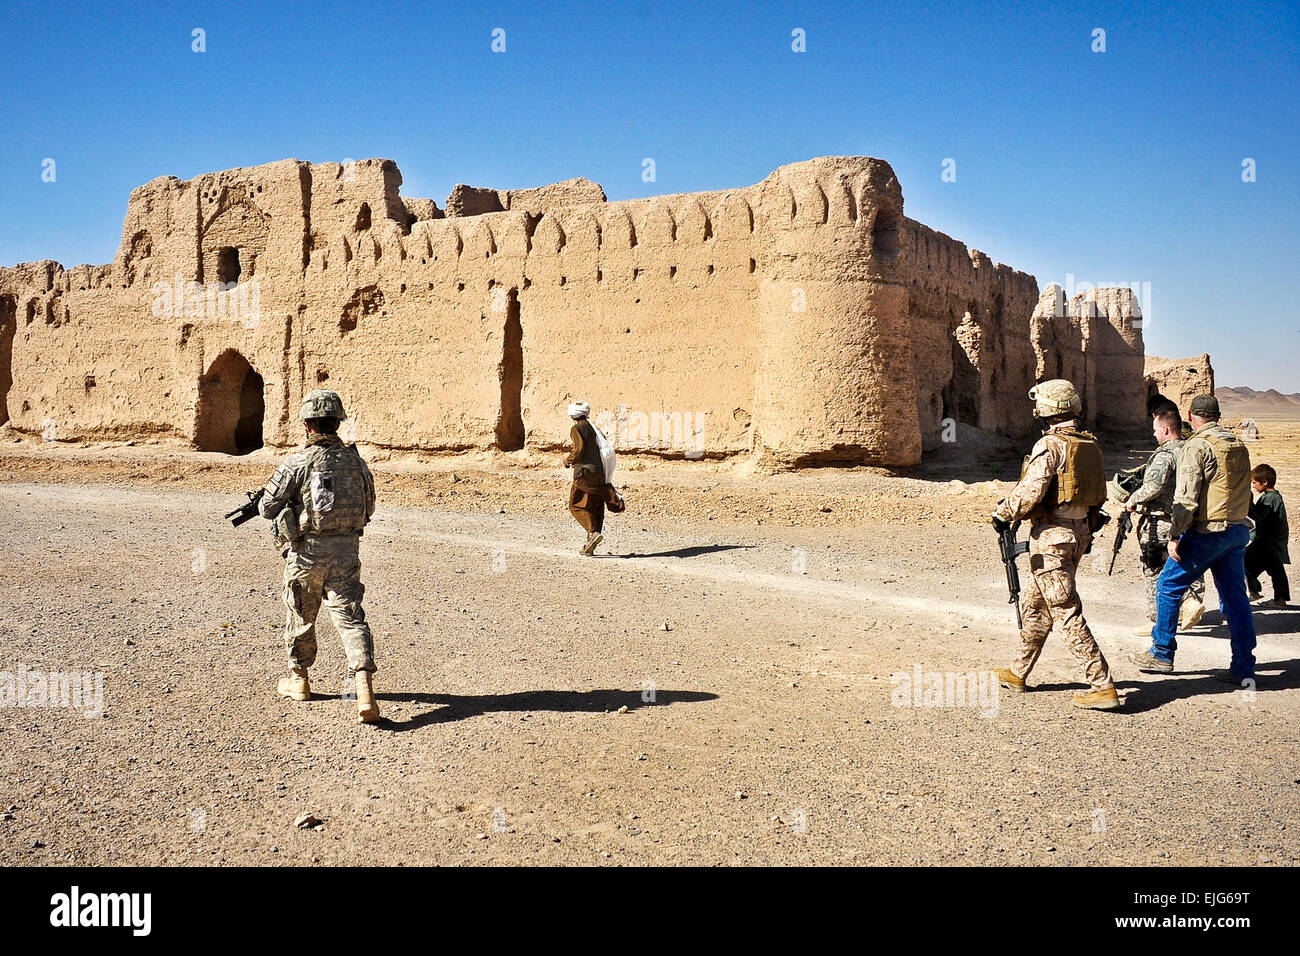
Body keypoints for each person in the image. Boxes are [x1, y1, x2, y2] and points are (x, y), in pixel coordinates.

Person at [992, 379, 1119, 710]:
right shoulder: (1088, 443)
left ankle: (1102, 684)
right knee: (1037, 605)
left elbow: (1032, 490)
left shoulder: (1051, 445)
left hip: (1052, 537)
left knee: (1064, 609)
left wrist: (1003, 513)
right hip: (1078, 532)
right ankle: (1018, 671)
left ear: (1045, 409)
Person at [258, 389, 380, 723]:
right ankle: (364, 688)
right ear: (337, 423)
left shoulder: (298, 462)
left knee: (300, 615)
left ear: (308, 425)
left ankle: (300, 681)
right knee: (351, 617)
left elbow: (268, 507)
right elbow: (368, 506)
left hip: (307, 554)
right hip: (346, 552)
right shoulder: (356, 461)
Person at [1131, 394, 1257, 684]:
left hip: (1208, 532)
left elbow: (1186, 498)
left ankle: (1161, 653)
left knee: (1168, 585)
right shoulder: (1236, 444)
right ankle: (1243, 666)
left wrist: (1175, 536)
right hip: (1237, 531)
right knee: (1235, 600)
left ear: (1190, 415)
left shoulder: (1196, 446)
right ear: (1218, 415)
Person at [1120, 401, 1205, 635]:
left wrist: (1132, 499)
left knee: (1153, 567)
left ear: (1166, 429)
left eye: (1156, 429)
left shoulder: (1165, 454)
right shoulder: (1190, 449)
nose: (1154, 433)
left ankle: (1159, 618)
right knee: (1180, 565)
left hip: (1160, 522)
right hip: (1186, 519)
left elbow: (1154, 486)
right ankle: (1187, 605)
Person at [563, 402, 623, 555]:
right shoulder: (594, 428)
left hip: (584, 472)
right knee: (595, 505)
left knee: (576, 505)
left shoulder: (577, 428)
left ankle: (592, 532)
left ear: (573, 415)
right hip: (599, 472)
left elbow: (579, 450)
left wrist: (568, 459)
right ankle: (590, 544)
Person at [1246, 463, 1290, 606]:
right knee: (1276, 570)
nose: (1253, 486)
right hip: (1271, 541)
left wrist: (1248, 503)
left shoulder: (1270, 499)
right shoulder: (1272, 497)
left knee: (1243, 561)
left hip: (1267, 542)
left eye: (1254, 483)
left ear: (1264, 482)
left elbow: (1260, 517)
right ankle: (1280, 599)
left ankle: (1254, 591)